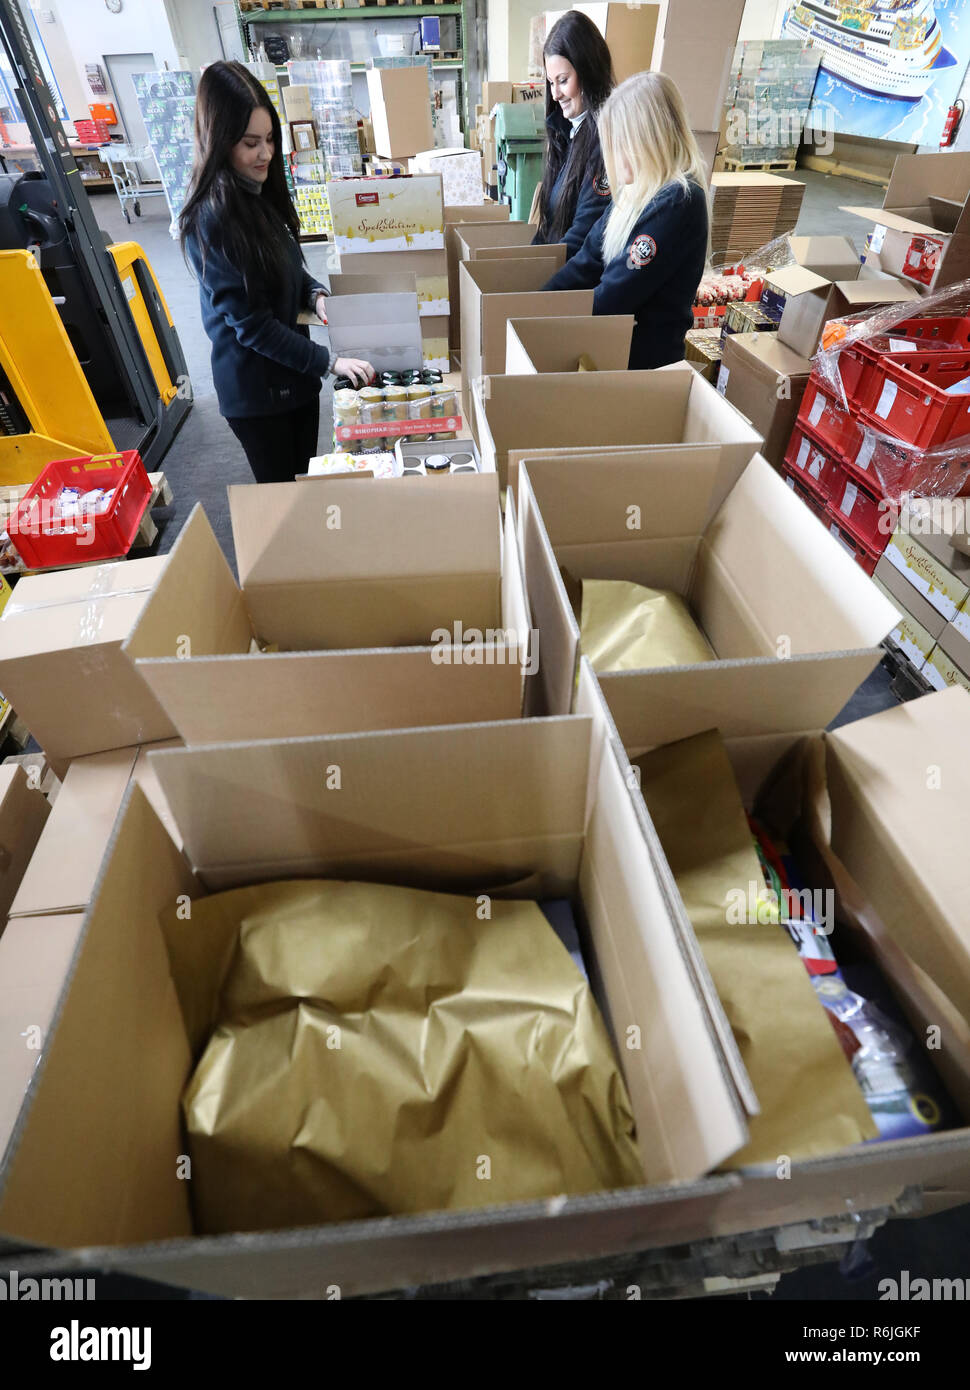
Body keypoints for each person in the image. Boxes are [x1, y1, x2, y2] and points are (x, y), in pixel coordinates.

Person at [180, 61, 373, 484]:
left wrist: (315, 295)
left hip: (295, 379)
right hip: (257, 394)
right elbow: (252, 327)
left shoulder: (259, 193)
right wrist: (330, 361)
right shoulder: (212, 219)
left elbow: (285, 266)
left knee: (303, 483)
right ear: (219, 140)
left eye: (269, 139)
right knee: (283, 498)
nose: (265, 154)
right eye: (251, 143)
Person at [542, 71, 709, 371]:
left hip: (644, 369)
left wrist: (543, 325)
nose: (611, 158)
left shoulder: (677, 201)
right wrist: (533, 303)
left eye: (618, 144)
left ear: (646, 140)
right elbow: (588, 259)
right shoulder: (635, 192)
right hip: (613, 357)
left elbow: (612, 297)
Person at [532, 10, 614, 260]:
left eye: (563, 80)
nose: (555, 94)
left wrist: (540, 283)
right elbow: (548, 228)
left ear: (588, 70)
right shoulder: (566, 132)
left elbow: (583, 237)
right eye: (550, 82)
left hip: (577, 285)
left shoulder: (604, 142)